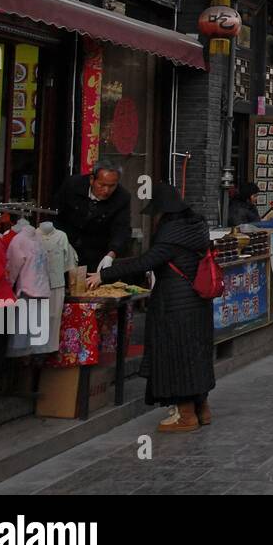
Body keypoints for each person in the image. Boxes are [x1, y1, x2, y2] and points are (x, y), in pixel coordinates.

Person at [88, 183, 213, 432]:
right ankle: (202, 409)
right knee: (195, 354)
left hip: (174, 306)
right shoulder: (196, 227)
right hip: (198, 304)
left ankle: (185, 414)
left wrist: (105, 275)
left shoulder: (172, 233)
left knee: (175, 355)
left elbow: (145, 261)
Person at [53, 161, 132, 274]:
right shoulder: (73, 185)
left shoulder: (122, 197)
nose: (106, 191)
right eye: (102, 185)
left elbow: (122, 230)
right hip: (64, 247)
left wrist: (111, 255)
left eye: (112, 186)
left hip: (95, 252)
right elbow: (56, 214)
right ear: (92, 179)